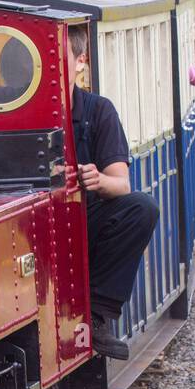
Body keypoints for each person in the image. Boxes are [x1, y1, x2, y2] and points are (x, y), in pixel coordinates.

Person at [66, 27, 158, 361]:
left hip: (84, 219)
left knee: (142, 208)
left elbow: (122, 184)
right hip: (37, 226)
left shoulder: (98, 110)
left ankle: (97, 316)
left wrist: (96, 179)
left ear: (80, 62)